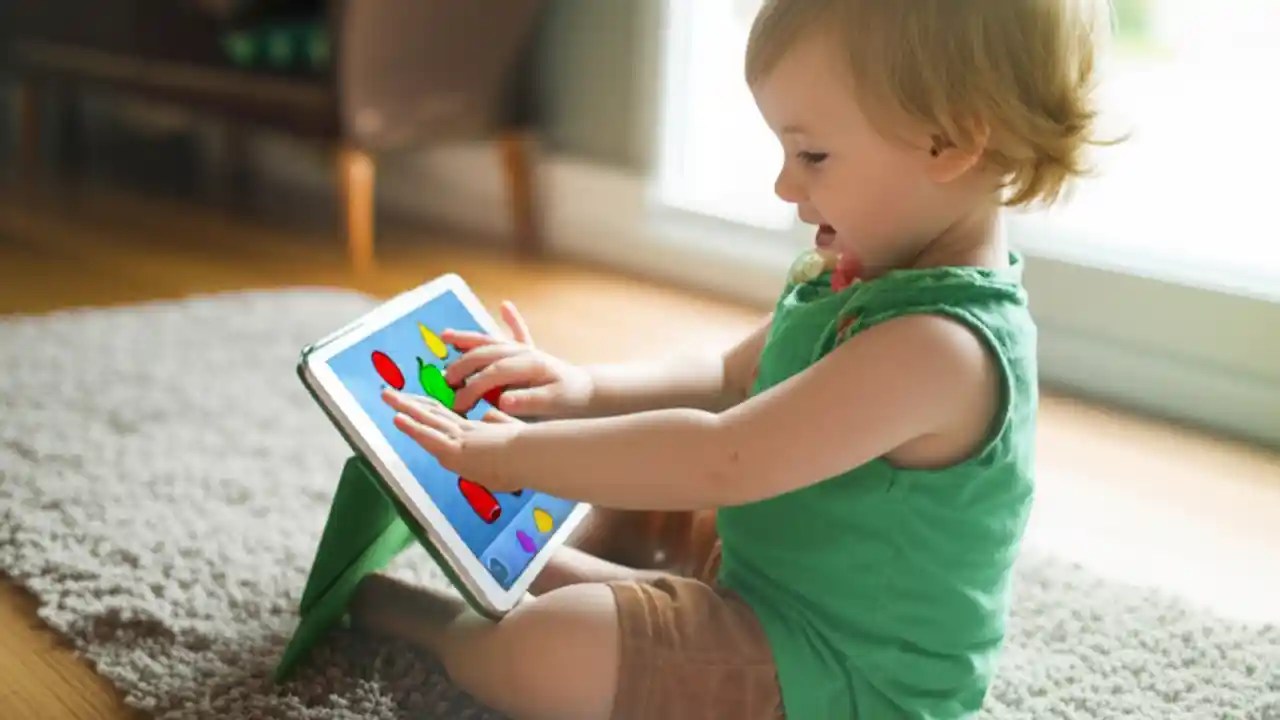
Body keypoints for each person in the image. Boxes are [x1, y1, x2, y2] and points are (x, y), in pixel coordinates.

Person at [352, 0, 1113, 717]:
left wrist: (517, 455)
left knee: (544, 646)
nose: (784, 185)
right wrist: (582, 388)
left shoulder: (940, 349)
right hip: (770, 583)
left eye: (812, 154)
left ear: (950, 142)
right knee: (640, 467)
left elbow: (723, 458)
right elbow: (726, 379)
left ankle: (439, 624)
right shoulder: (870, 277)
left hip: (835, 681)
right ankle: (544, 571)